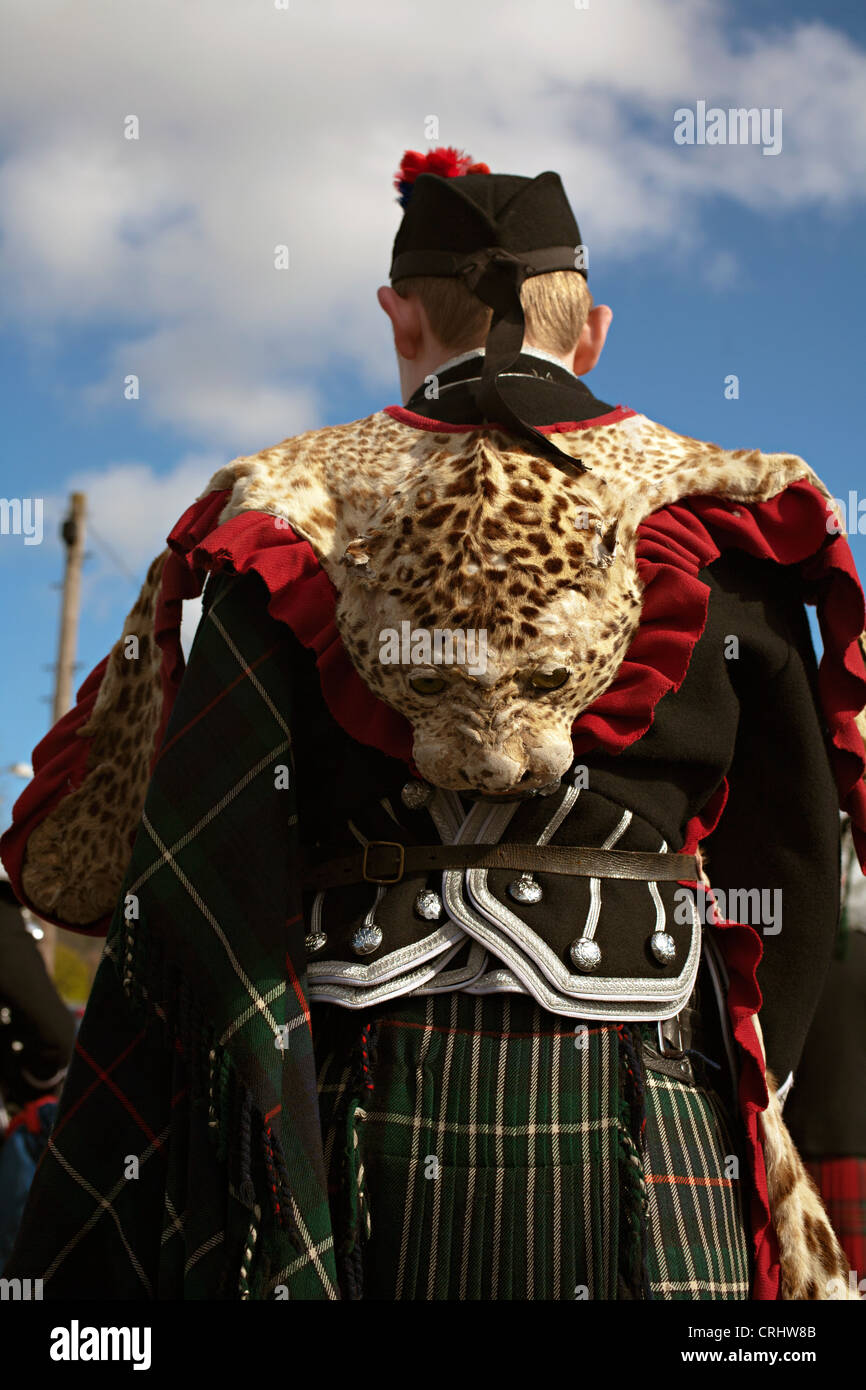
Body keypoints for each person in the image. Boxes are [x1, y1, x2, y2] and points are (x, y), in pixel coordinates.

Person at [1, 145, 865, 1301]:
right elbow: (795, 863)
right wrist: (748, 1085)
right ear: (592, 329)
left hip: (352, 1114)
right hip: (658, 1106)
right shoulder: (719, 510)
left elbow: (163, 848)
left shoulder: (277, 508)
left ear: (397, 316)